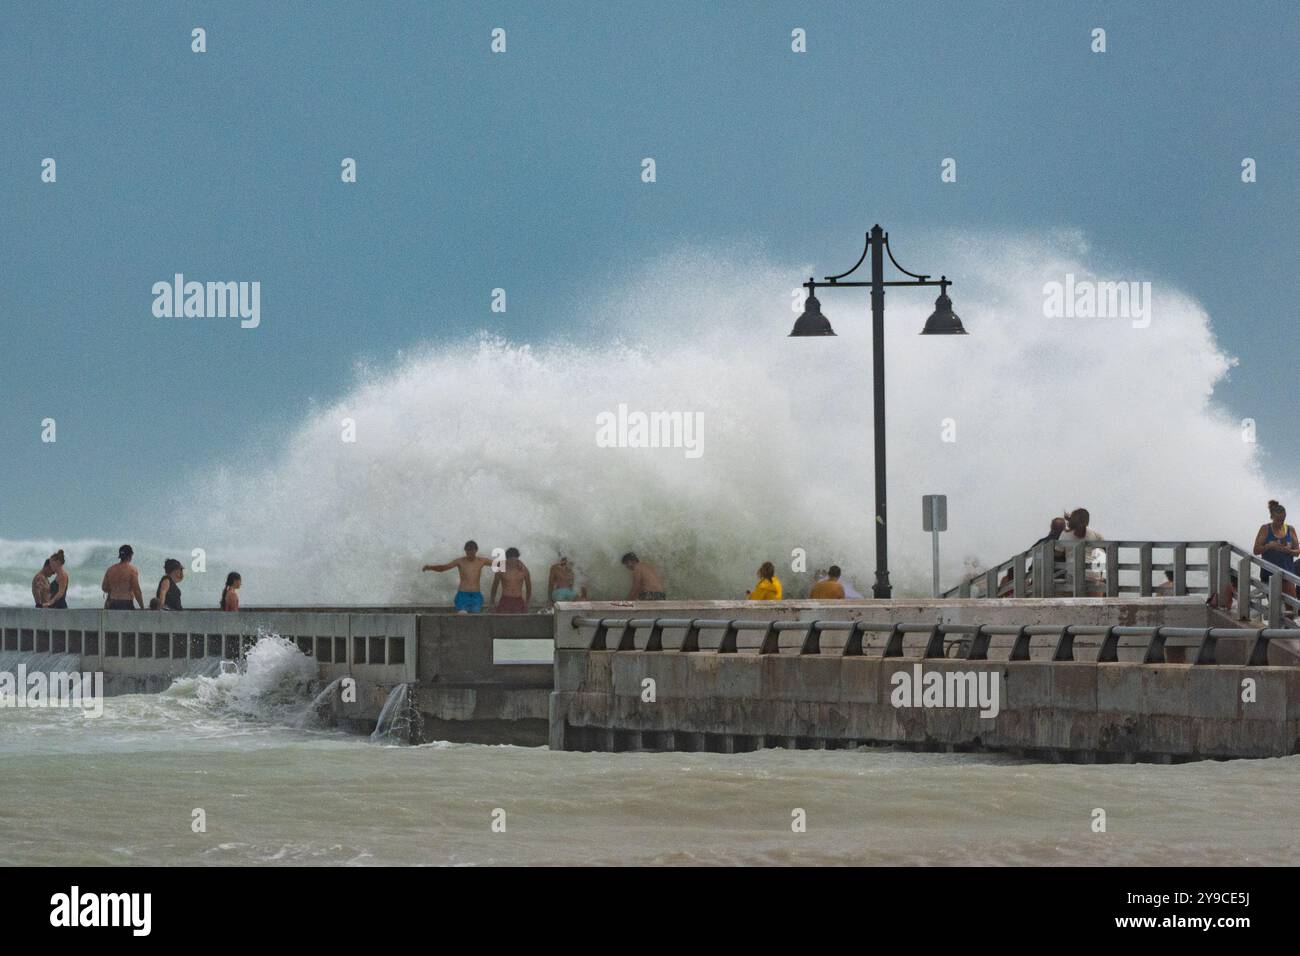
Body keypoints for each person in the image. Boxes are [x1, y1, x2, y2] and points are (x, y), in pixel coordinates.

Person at [423, 540, 494, 613]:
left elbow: (498, 564)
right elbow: (443, 568)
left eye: (472, 550)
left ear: (476, 550)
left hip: (476, 595)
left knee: (475, 616)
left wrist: (505, 560)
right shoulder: (460, 561)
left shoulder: (481, 561)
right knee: (462, 614)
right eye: (468, 550)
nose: (470, 552)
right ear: (465, 550)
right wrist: (430, 567)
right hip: (462, 594)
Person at [1253, 500, 1298, 606]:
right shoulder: (1265, 529)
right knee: (1276, 608)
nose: (1280, 523)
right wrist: (1269, 546)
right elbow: (1256, 550)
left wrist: (1289, 551)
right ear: (1272, 517)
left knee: (1291, 609)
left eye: (1283, 520)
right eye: (1278, 520)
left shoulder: (1290, 529)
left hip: (1287, 573)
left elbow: (1297, 551)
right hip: (1269, 574)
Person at [1055, 508, 1105, 596]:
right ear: (1087, 521)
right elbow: (1106, 548)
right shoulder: (1094, 534)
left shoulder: (1065, 534)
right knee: (1093, 605)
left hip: (1073, 573)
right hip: (1092, 574)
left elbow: (1058, 553)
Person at [491, 547, 532, 613]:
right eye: (510, 559)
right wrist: (492, 602)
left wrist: (527, 603)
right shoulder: (501, 570)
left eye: (515, 559)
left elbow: (529, 588)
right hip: (505, 599)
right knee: (503, 619)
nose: (512, 562)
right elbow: (494, 587)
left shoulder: (523, 570)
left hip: (518, 600)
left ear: (517, 558)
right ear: (507, 559)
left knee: (518, 619)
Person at [102, 545, 144, 610]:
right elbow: (137, 591)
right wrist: (142, 607)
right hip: (126, 604)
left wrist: (114, 589)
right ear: (131, 555)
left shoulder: (110, 569)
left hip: (112, 603)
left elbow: (104, 587)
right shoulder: (132, 570)